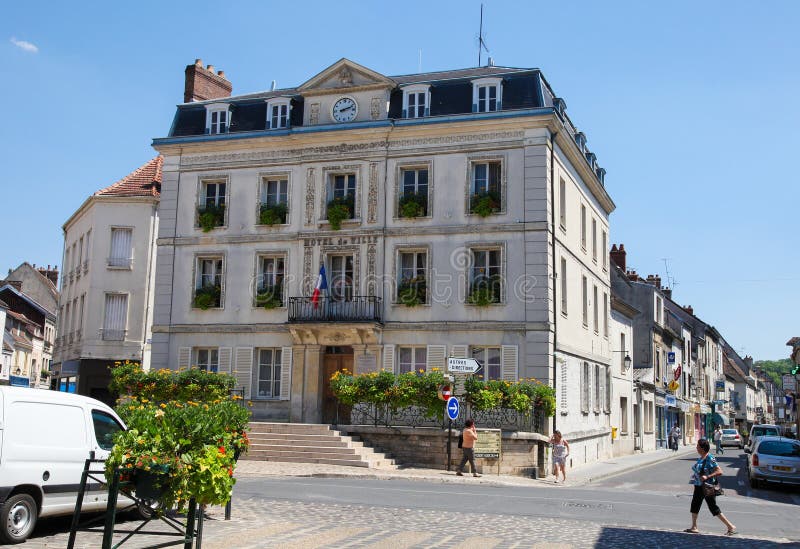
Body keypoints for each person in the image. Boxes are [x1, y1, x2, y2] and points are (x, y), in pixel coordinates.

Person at [684, 438, 737, 536]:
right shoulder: (701, 458)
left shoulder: (710, 458)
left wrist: (707, 476)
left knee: (713, 508)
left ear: (703, 448)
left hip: (707, 487)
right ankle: (694, 527)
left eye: (698, 446)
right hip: (699, 486)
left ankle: (730, 526)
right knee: (695, 505)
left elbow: (719, 471)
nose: (696, 448)